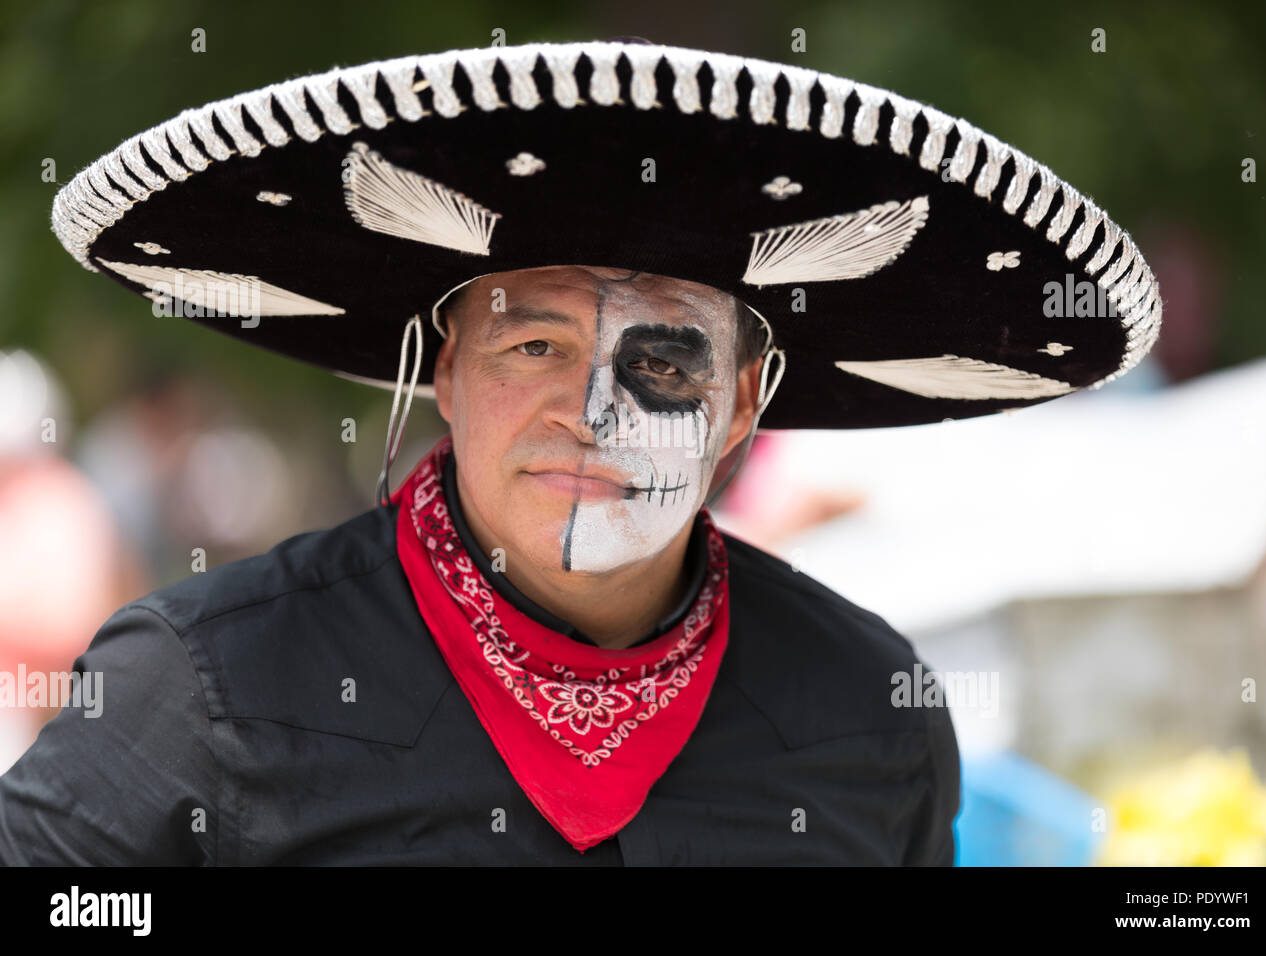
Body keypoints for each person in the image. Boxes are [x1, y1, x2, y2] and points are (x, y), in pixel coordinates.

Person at [1, 37, 1159, 864]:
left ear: (744, 403)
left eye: (662, 362)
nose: (591, 415)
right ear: (444, 369)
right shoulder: (202, 686)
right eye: (536, 344)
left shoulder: (868, 711)